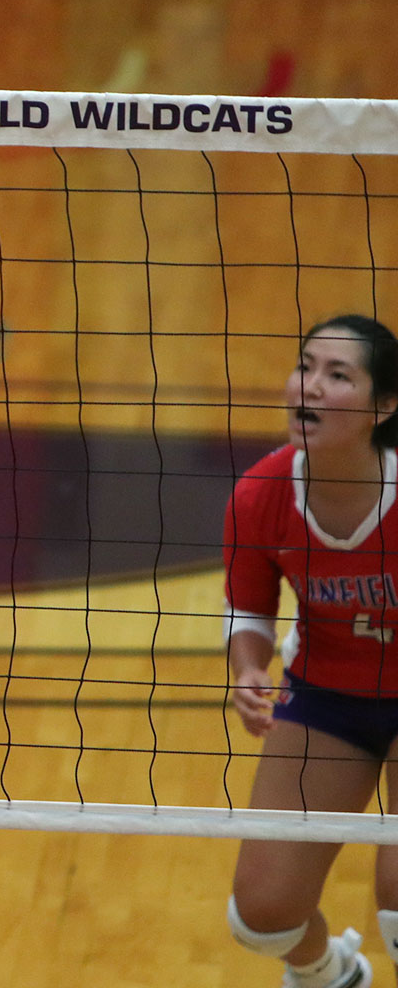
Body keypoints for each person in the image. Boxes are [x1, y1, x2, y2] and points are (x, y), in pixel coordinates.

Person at [223, 314, 398, 988]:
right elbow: (248, 609)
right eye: (305, 367)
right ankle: (332, 975)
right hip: (329, 697)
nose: (310, 387)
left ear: (384, 407)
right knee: (261, 916)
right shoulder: (260, 494)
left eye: (337, 375)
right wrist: (247, 667)